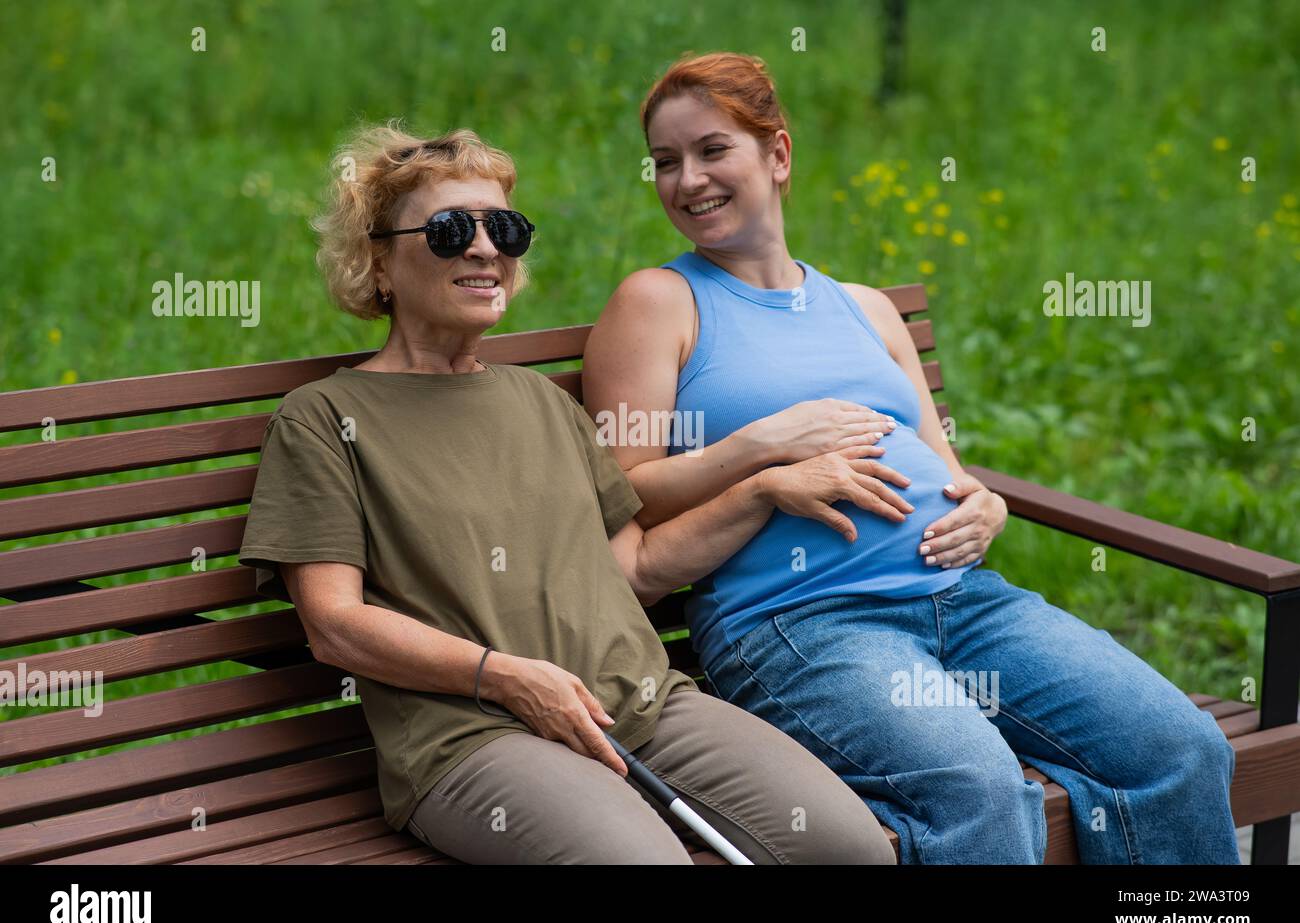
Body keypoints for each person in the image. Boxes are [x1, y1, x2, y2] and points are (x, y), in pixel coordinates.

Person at [581, 52, 1240, 864]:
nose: (688, 180)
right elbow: (629, 494)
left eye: (713, 150)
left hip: (967, 603)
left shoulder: (865, 308)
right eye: (666, 163)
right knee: (982, 792)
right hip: (804, 625)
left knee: (1181, 749)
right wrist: (765, 449)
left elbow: (945, 466)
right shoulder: (658, 300)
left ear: (777, 155)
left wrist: (984, 502)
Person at [237, 121, 898, 865]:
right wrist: (508, 679)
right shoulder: (325, 419)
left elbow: (635, 570)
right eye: (453, 229)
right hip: (475, 736)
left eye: (506, 229)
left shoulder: (543, 402)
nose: (486, 248)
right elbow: (335, 624)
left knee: (851, 849)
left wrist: (761, 490)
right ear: (379, 261)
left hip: (642, 707)